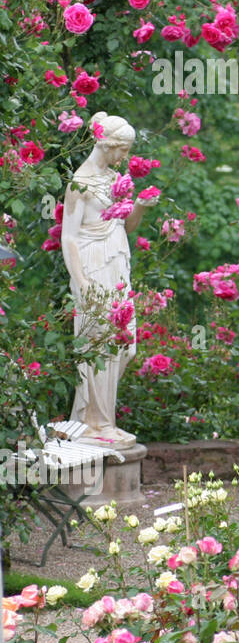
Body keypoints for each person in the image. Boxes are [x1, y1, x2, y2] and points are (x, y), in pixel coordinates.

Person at [60, 113, 158, 446]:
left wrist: (140, 206)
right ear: (108, 144)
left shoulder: (115, 178)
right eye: (123, 149)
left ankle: (101, 420)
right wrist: (81, 280)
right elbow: (68, 236)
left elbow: (125, 225)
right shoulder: (80, 182)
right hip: (92, 265)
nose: (126, 157)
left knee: (125, 346)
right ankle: (95, 423)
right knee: (98, 344)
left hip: (117, 263)